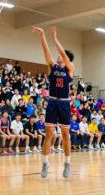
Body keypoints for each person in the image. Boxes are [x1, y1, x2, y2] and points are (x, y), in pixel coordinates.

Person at [33, 26, 74, 178]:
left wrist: (55, 38)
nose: (58, 56)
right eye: (57, 55)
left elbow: (63, 53)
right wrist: (43, 35)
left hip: (64, 103)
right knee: (49, 134)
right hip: (52, 102)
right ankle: (45, 163)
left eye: (60, 55)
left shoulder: (69, 68)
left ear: (65, 59)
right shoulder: (52, 67)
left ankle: (67, 163)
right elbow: (46, 51)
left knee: (65, 134)